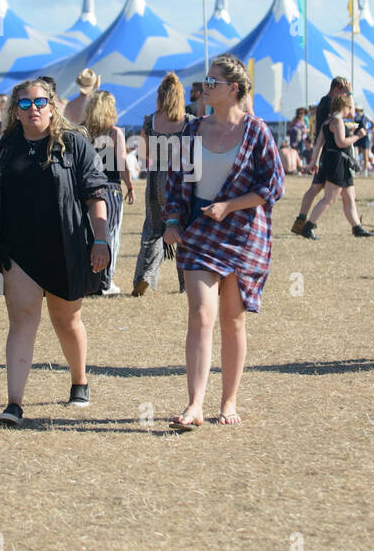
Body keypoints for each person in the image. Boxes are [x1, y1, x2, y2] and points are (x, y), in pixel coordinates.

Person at [0, 78, 111, 427]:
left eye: (39, 102)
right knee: (22, 321)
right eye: (24, 104)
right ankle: (14, 404)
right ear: (15, 112)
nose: (32, 109)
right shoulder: (5, 150)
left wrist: (101, 239)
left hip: (66, 247)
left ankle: (79, 380)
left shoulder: (74, 145)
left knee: (66, 320)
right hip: (18, 250)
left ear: (52, 106)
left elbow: (96, 194)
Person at [162, 54, 284, 428]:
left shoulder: (257, 130)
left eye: (213, 82)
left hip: (243, 232)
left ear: (233, 89)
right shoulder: (191, 130)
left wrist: (229, 206)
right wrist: (170, 220)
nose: (205, 87)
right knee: (200, 316)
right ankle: (194, 405)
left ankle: (228, 402)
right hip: (199, 229)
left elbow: (274, 185)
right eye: (206, 81)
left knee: (233, 321)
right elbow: (175, 178)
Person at [132, 72, 194, 297]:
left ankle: (145, 276)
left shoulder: (150, 120)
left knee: (152, 231)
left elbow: (143, 152)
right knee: (183, 231)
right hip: (182, 182)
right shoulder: (189, 122)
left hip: (156, 179)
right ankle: (186, 282)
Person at [82, 89, 135, 294]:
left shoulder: (83, 131)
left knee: (88, 234)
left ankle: (88, 277)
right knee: (109, 235)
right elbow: (121, 162)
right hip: (109, 189)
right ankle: (106, 280)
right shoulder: (114, 132)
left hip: (86, 191)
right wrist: (130, 185)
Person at [302, 94, 374, 238]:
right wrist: (358, 136)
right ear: (345, 107)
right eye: (351, 107)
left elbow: (319, 143)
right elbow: (341, 143)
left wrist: (315, 161)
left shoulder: (327, 122)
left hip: (336, 161)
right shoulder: (337, 122)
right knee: (330, 198)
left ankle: (357, 228)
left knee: (349, 196)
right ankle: (308, 226)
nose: (352, 111)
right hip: (337, 163)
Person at [291, 77, 349, 236]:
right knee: (319, 190)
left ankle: (301, 222)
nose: (347, 96)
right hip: (327, 152)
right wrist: (316, 158)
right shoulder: (329, 104)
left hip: (323, 150)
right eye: (346, 92)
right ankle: (305, 223)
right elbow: (324, 131)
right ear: (338, 88)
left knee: (317, 188)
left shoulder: (324, 102)